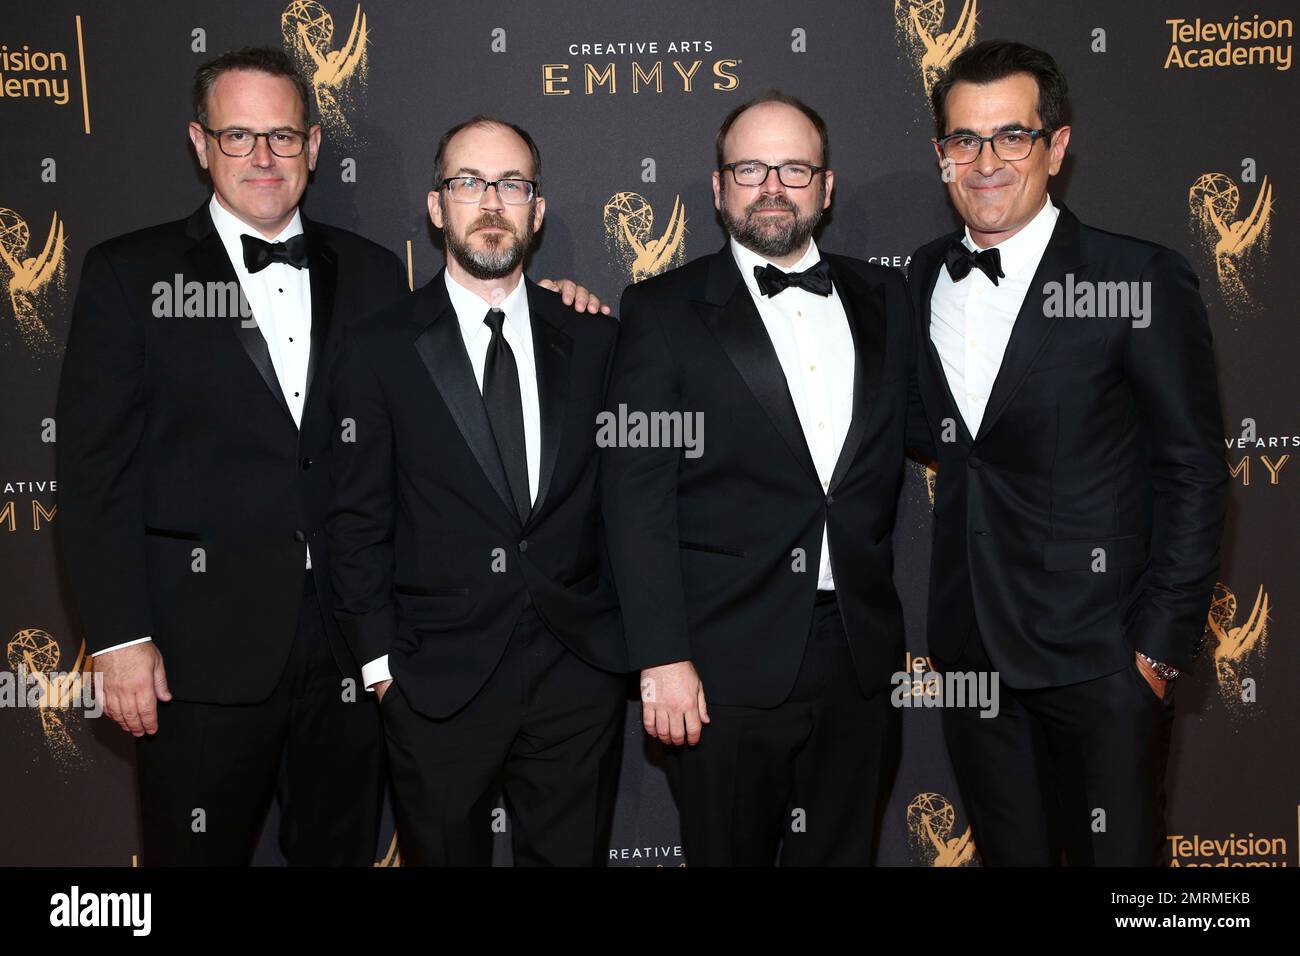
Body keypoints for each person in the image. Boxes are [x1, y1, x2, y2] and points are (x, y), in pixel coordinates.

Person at [56, 48, 603, 865]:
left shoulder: (375, 273)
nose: (264, 157)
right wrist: (119, 639)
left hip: (355, 656)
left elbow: (477, 316)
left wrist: (557, 300)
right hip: (199, 653)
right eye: (239, 136)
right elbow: (94, 476)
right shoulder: (130, 275)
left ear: (314, 146)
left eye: (281, 135)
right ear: (200, 144)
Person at [908, 39, 1228, 865]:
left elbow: (1192, 470)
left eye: (1011, 136)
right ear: (941, 154)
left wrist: (1155, 649)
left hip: (1102, 658)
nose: (985, 162)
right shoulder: (920, 278)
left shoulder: (1140, 278)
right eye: (963, 140)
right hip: (974, 658)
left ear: (1056, 145)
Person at [602, 91, 915, 866]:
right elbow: (634, 500)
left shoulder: (887, 299)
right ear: (717, 187)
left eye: (795, 167)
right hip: (719, 667)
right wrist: (662, 658)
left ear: (827, 186)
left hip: (859, 657)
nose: (772, 184)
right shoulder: (661, 310)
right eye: (750, 167)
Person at [327, 116, 628, 866]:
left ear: (537, 208)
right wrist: (380, 670)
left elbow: (632, 503)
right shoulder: (378, 347)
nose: (491, 201)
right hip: (432, 680)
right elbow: (355, 517)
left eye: (512, 185)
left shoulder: (594, 337)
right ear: (437, 207)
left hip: (576, 676)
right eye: (469, 183)